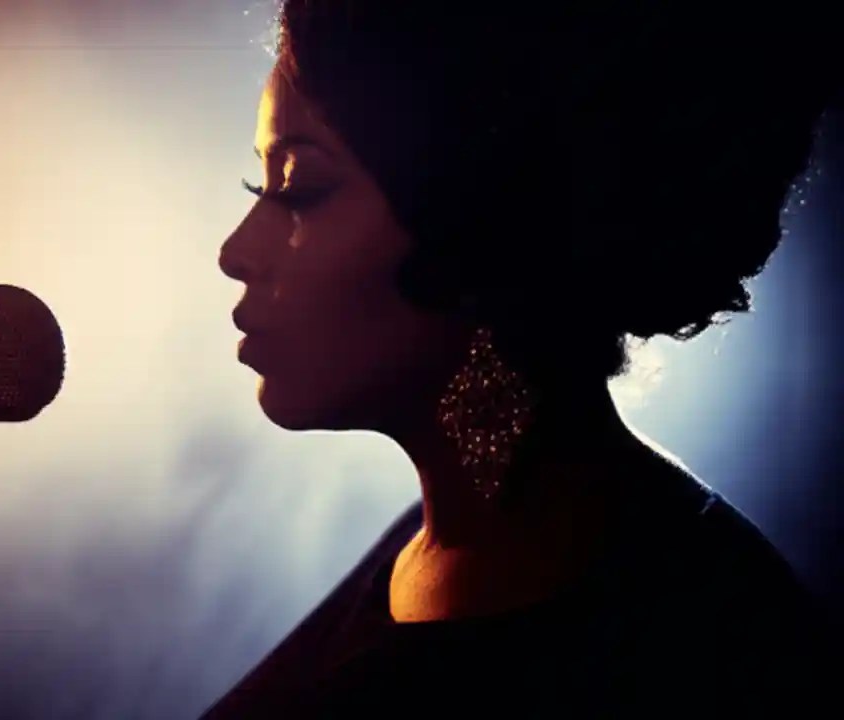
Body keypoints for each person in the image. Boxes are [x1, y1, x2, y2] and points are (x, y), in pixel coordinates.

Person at [204, 2, 839, 717]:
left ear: (482, 223)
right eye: (261, 186)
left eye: (299, 189)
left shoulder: (698, 657)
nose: (235, 252)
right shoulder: (448, 543)